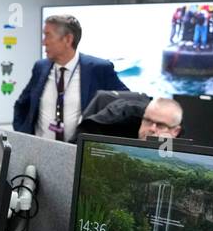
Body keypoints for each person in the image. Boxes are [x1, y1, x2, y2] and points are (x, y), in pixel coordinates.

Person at [12, 15, 127, 143]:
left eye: (48, 35)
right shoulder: (40, 68)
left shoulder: (99, 69)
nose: (44, 42)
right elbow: (22, 105)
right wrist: (23, 135)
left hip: (78, 155)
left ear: (68, 39)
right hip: (39, 151)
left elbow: (126, 103)